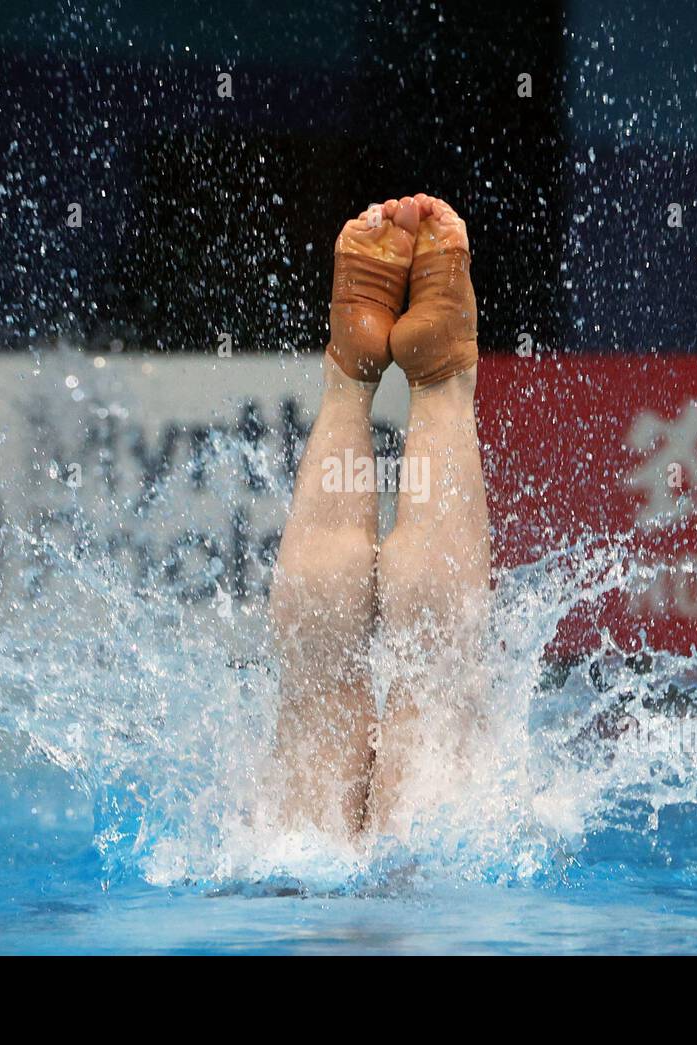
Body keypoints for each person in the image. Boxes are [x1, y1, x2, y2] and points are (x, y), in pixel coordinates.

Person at [269, 194, 491, 839]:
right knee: (434, 687)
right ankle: (439, 379)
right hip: (435, 895)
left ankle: (349, 379)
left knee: (318, 700)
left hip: (284, 892)